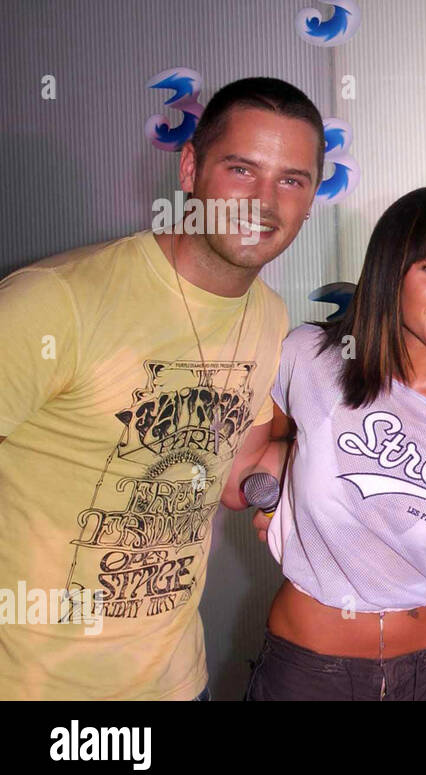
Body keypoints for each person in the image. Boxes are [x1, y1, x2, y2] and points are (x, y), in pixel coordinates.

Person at [0, 77, 323, 700]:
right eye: (240, 169)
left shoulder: (268, 317)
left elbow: (236, 475)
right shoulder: (57, 302)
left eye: (291, 179)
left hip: (178, 683)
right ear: (190, 169)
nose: (263, 202)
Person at [243, 187, 426, 701]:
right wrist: (272, 493)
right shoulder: (309, 359)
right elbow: (259, 456)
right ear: (390, 271)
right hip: (306, 674)